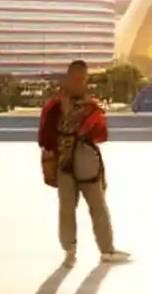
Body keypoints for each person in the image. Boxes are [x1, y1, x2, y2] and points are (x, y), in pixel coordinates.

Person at [39, 60, 131, 268]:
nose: (80, 82)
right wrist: (48, 160)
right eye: (77, 77)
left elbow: (100, 135)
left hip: (86, 162)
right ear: (69, 77)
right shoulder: (55, 107)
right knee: (68, 208)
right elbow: (45, 137)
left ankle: (106, 249)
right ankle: (70, 251)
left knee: (97, 205)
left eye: (83, 78)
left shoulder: (91, 107)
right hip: (65, 163)